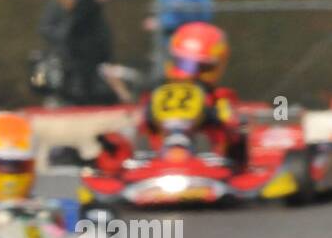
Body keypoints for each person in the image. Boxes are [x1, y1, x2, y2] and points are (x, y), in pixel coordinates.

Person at [97, 21, 246, 170]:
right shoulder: (153, 94)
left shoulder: (220, 99)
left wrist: (228, 126)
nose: (189, 72)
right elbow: (137, 125)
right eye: (183, 63)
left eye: (198, 66)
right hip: (153, 163)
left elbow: (234, 131)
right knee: (118, 138)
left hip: (208, 164)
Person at [38, 0, 115, 106]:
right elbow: (46, 28)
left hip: (90, 59)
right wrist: (63, 37)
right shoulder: (57, 5)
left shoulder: (87, 5)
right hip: (67, 58)